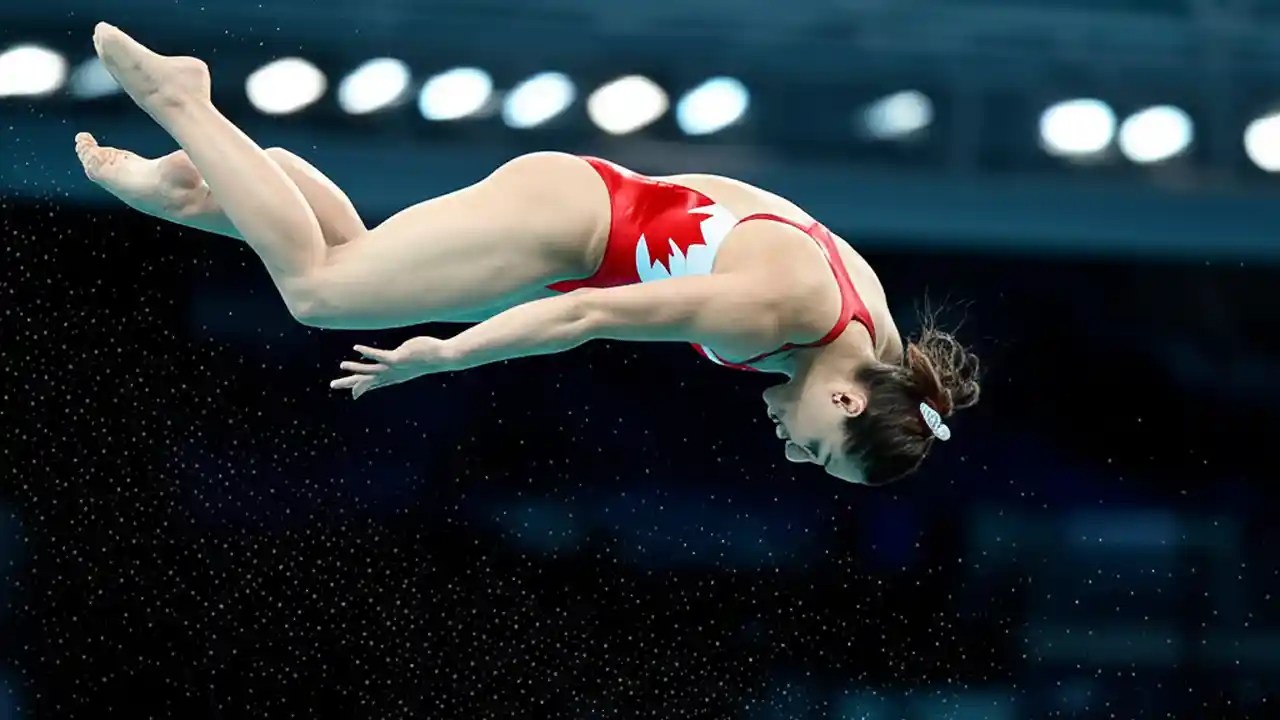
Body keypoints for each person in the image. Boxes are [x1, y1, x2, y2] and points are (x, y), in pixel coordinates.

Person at [76, 23, 981, 486]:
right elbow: (586, 317)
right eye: (820, 451)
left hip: (589, 234)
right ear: (844, 400)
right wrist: (448, 358)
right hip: (570, 228)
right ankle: (184, 101)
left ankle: (214, 186)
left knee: (354, 260)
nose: (794, 456)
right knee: (321, 292)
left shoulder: (875, 343)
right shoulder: (777, 317)